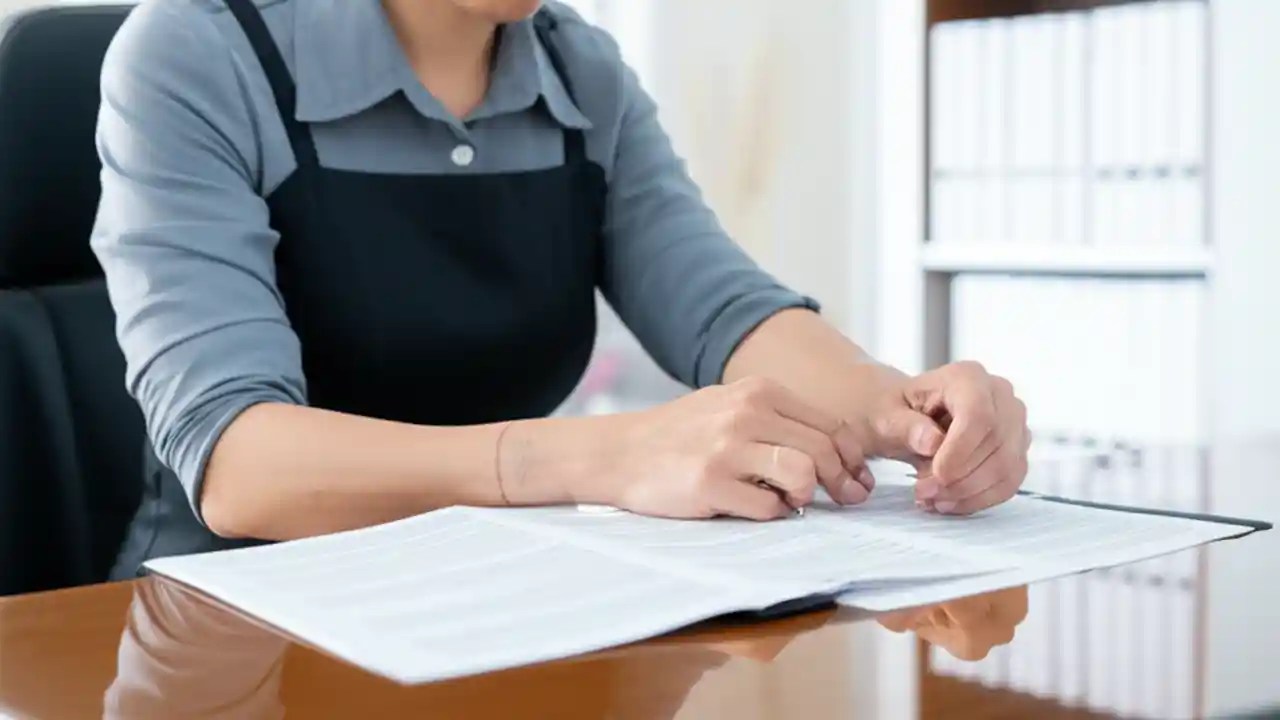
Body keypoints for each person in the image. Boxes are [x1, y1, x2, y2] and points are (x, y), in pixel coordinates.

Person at [92, 0, 1031, 578]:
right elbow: (235, 464)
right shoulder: (194, 55)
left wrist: (899, 411)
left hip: (501, 598)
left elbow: (722, 306)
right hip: (237, 627)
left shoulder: (583, 71)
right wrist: (605, 457)